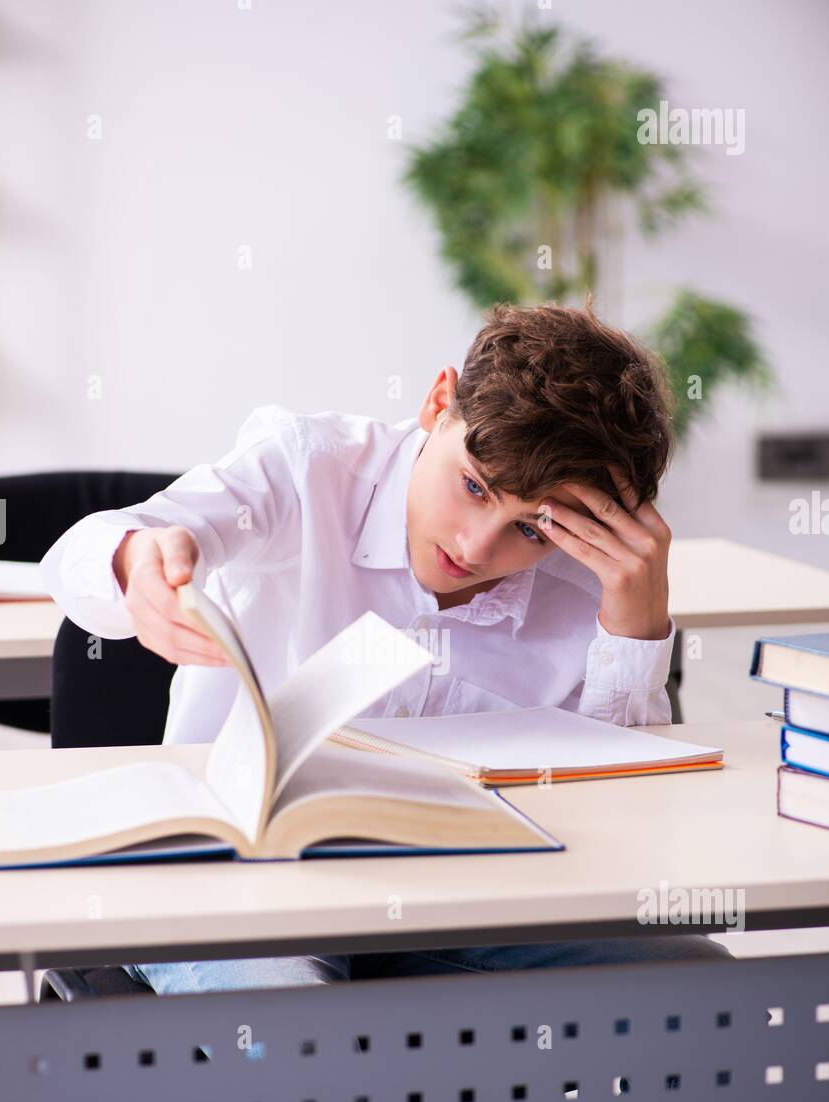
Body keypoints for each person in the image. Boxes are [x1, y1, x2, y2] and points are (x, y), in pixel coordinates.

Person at [40, 300, 734, 994]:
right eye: (473, 487)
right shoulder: (307, 467)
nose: (474, 545)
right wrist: (134, 561)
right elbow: (87, 549)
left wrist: (635, 627)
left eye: (531, 529)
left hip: (467, 904)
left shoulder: (596, 574)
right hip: (242, 883)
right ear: (438, 403)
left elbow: (624, 825)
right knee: (293, 1025)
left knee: (698, 990)